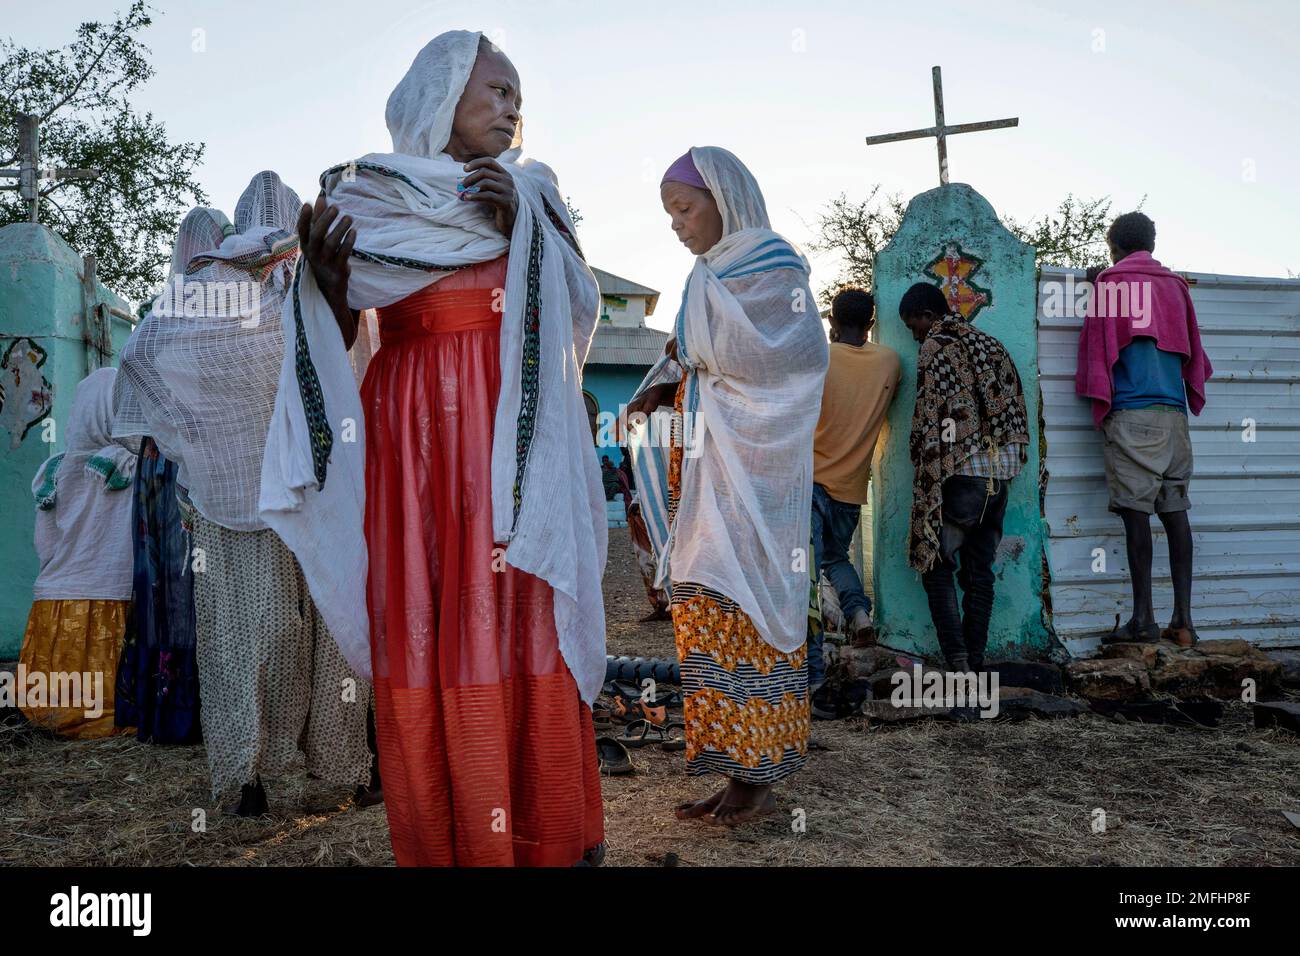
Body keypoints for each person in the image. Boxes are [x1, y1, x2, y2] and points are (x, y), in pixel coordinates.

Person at [272, 30, 606, 866]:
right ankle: (450, 837)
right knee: (431, 604)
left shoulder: (532, 193)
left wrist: (522, 225)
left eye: (518, 93)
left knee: (517, 602)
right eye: (495, 89)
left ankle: (548, 832)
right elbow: (338, 335)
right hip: (412, 434)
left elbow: (575, 315)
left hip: (509, 436)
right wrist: (333, 294)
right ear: (439, 96)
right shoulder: (367, 200)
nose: (512, 105)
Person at [118, 172, 373, 815]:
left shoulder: (202, 294)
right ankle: (336, 765)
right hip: (309, 497)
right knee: (329, 633)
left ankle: (245, 777)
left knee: (239, 641)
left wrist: (192, 444)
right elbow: (351, 368)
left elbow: (143, 365)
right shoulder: (302, 292)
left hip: (228, 504)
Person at [625, 146, 827, 825]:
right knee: (707, 613)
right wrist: (659, 393)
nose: (677, 225)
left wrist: (698, 357)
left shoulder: (772, 265)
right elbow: (686, 355)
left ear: (725, 199)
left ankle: (759, 782)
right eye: (670, 214)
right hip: (705, 478)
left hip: (755, 484)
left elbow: (795, 358)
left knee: (751, 620)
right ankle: (731, 773)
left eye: (685, 208)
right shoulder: (705, 278)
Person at [113, 207, 233, 745]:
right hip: (192, 463)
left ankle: (164, 712)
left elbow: (128, 407)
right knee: (195, 582)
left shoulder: (159, 314)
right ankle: (199, 712)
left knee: (165, 580)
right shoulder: (218, 314)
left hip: (153, 465)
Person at [1076, 212, 1212, 646]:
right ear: (1151, 243)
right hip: (1175, 417)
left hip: (1133, 416)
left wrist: (1099, 281)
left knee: (1137, 516)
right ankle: (1185, 622)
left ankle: (1144, 621)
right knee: (1176, 512)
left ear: (1113, 245)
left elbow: (1098, 351)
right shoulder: (1174, 286)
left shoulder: (1112, 285)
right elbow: (1192, 352)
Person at [899, 282, 1029, 673]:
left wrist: (924, 469)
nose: (915, 334)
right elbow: (1016, 406)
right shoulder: (993, 346)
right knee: (979, 571)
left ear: (927, 314)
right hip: (1000, 477)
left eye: (913, 325)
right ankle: (975, 659)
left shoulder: (936, 348)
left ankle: (957, 660)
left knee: (936, 566)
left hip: (962, 477)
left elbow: (929, 417)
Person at [20, 369, 138, 738]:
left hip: (55, 596)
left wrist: (58, 575)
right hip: (111, 589)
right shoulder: (129, 466)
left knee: (50, 700)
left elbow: (46, 541)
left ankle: (54, 711)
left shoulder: (54, 468)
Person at [807, 285, 900, 700]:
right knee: (834, 558)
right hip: (851, 486)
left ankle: (809, 672)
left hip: (809, 480)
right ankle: (858, 613)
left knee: (804, 573)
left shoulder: (820, 358)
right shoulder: (889, 362)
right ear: (872, 324)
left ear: (831, 321)